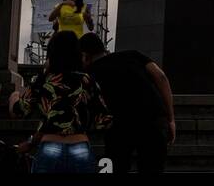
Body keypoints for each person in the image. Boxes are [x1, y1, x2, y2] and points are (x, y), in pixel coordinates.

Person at [9, 29, 109, 173]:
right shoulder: (86, 80)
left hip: (50, 147)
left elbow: (19, 111)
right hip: (80, 147)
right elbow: (103, 120)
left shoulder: (43, 81)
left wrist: (14, 96)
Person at [80, 32, 175, 174]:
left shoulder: (90, 74)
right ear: (103, 49)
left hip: (119, 126)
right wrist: (171, 119)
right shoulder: (132, 55)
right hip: (153, 120)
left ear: (85, 56)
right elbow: (160, 77)